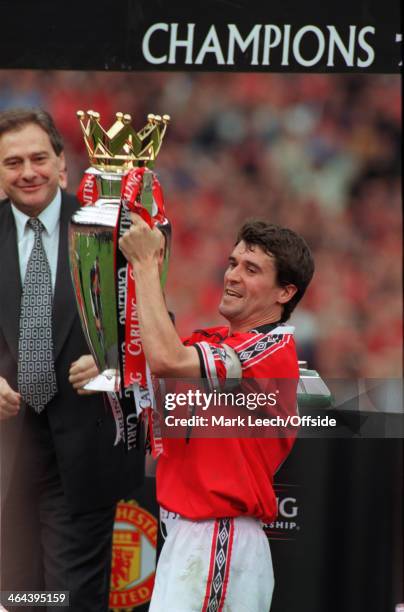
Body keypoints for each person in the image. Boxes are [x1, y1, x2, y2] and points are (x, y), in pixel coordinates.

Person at [119, 215, 315, 611]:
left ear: (285, 292)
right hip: (190, 536)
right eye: (232, 263)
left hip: (217, 536)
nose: (232, 276)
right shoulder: (215, 340)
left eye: (252, 269)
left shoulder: (270, 351)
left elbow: (165, 359)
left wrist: (144, 267)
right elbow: (151, 366)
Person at [0, 108, 144, 612]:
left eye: (39, 157)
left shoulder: (107, 229)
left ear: (62, 163)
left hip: (80, 453)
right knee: (16, 598)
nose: (27, 171)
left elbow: (148, 322)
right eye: (13, 162)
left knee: (68, 600)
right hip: (6, 454)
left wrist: (112, 365)